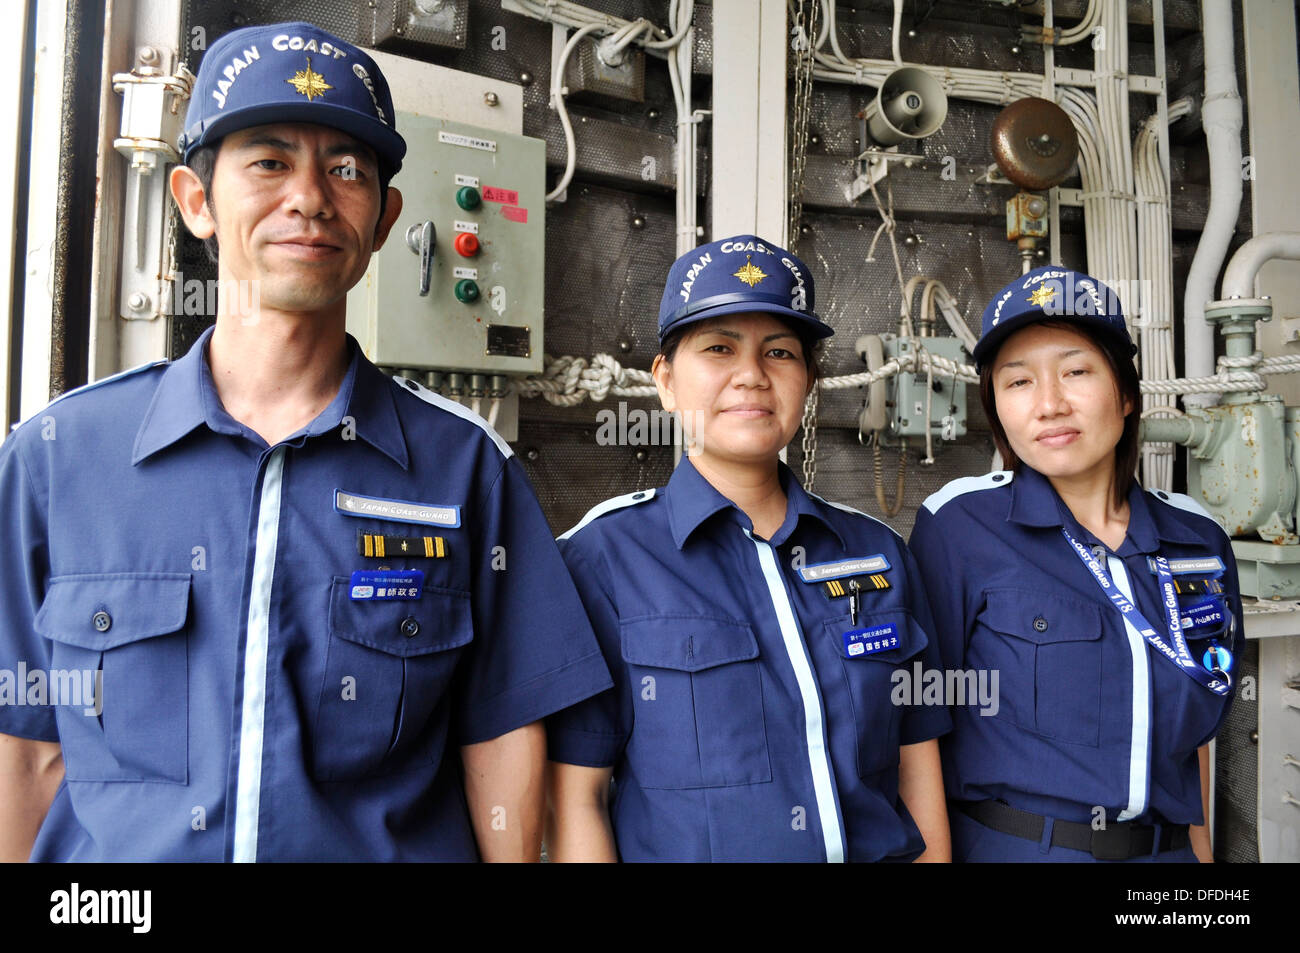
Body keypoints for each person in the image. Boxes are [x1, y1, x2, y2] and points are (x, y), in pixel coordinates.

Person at [0, 21, 611, 862]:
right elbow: (25, 751)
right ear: (195, 201)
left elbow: (500, 742)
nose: (311, 198)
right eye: (269, 161)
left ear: (387, 216)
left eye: (347, 169)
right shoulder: (57, 458)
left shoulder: (464, 468)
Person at [544, 235, 951, 862]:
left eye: (780, 352)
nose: (751, 376)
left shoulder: (877, 553)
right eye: (718, 348)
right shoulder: (603, 560)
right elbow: (578, 798)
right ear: (666, 380)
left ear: (809, 382)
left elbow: (916, 764)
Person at [910, 266, 1244, 862]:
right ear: (997, 409)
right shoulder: (962, 526)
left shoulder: (1197, 541)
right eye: (1017, 383)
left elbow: (1190, 738)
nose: (1049, 404)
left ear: (1126, 394)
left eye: (1076, 371)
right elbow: (917, 718)